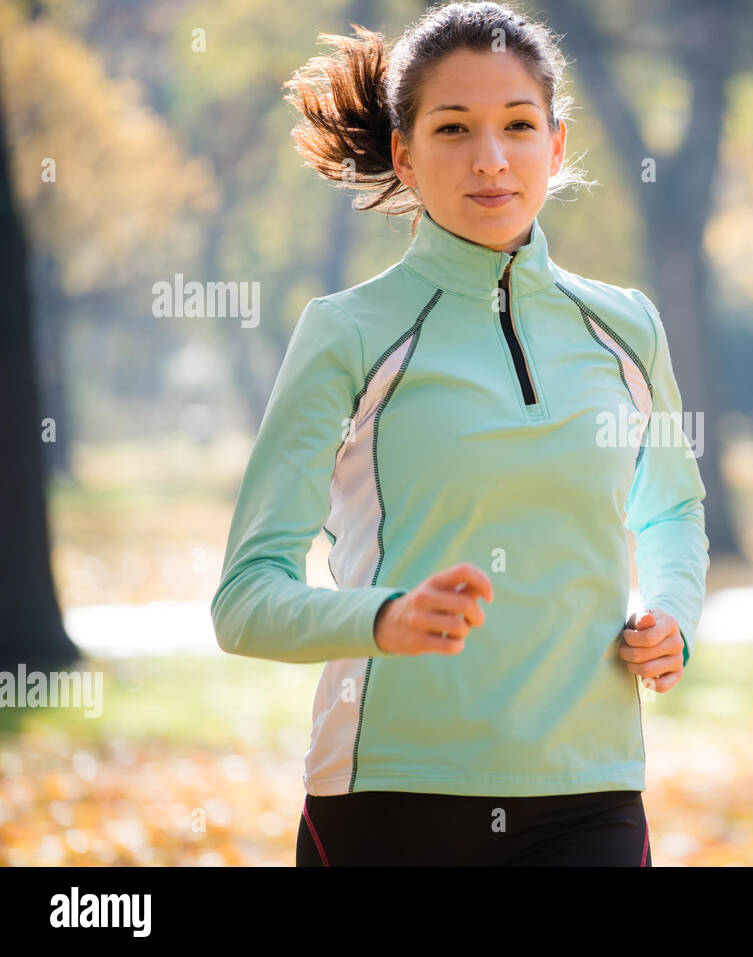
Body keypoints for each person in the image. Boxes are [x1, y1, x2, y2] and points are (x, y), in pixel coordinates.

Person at [209, 1, 709, 866]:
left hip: (589, 793)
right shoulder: (347, 332)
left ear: (556, 144)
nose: (491, 159)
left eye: (518, 125)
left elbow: (670, 512)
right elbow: (245, 601)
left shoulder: (628, 327)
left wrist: (672, 615)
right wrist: (385, 618)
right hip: (390, 796)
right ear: (404, 152)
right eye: (453, 128)